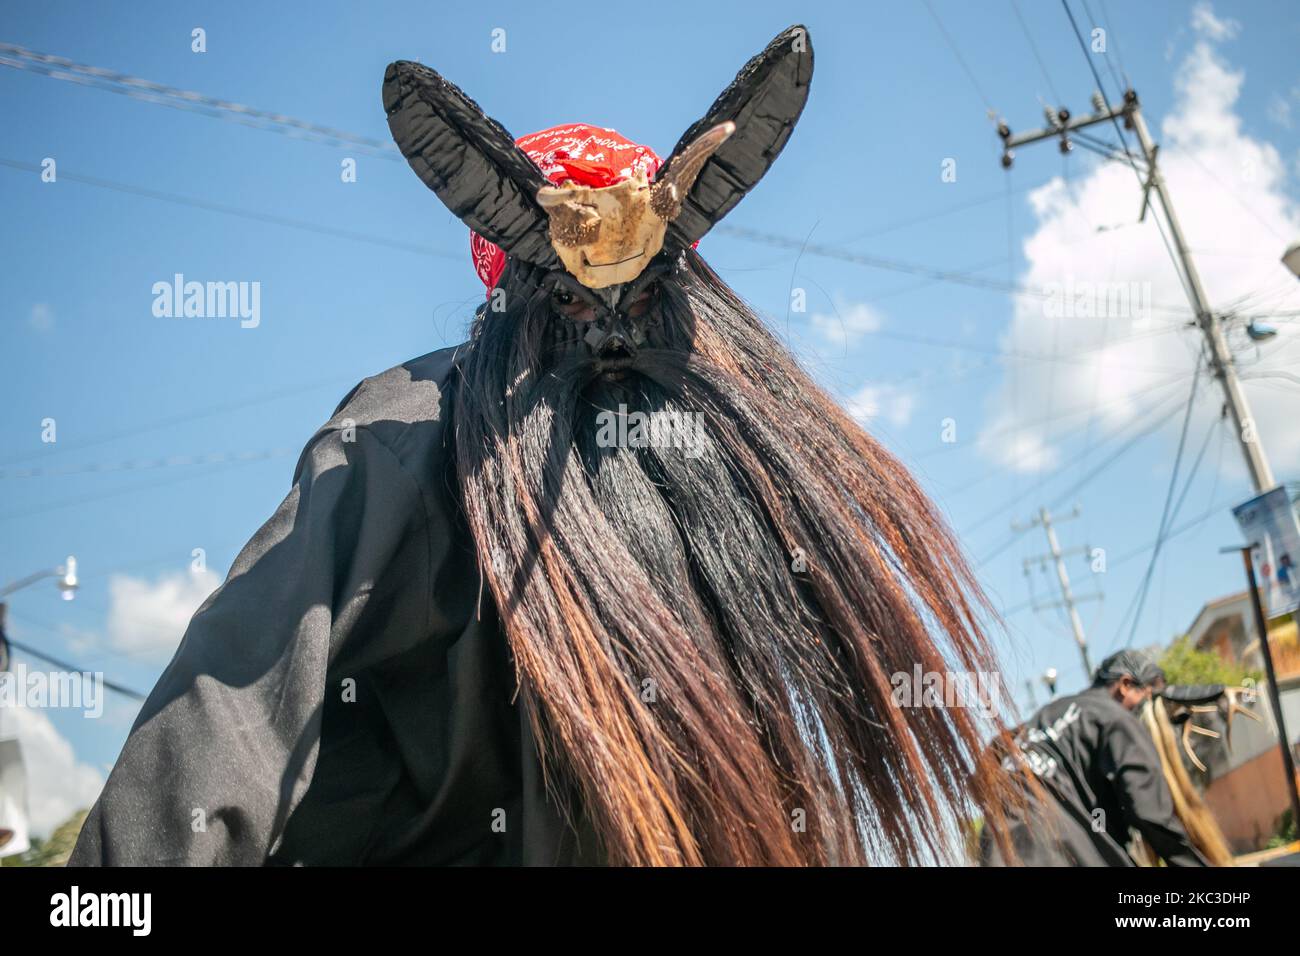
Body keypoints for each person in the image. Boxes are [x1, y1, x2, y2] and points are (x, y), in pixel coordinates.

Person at [71, 25, 1015, 867]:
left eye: (633, 297)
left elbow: (216, 727)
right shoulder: (410, 440)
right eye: (573, 293)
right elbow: (223, 720)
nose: (606, 331)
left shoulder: (408, 432)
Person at [980, 650, 1209, 867]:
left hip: (997, 849)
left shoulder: (1046, 714)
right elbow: (1150, 813)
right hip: (1055, 848)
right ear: (1126, 685)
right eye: (1150, 696)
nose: (1147, 708)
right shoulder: (1114, 717)